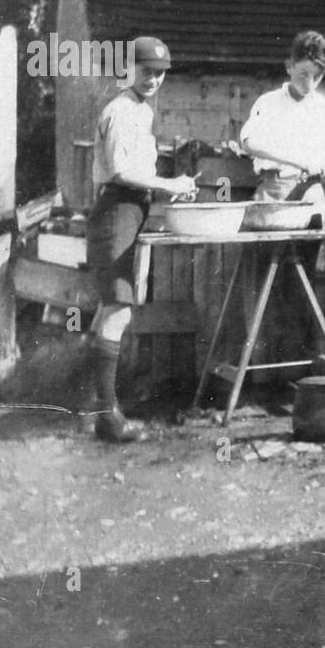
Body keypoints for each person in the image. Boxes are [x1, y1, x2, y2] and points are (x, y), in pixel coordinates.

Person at [80, 36, 197, 443]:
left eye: (160, 73)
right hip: (115, 212)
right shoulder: (119, 110)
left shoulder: (141, 110)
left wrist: (166, 188)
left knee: (109, 311)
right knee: (118, 310)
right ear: (128, 68)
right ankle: (108, 418)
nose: (153, 79)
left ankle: (98, 409)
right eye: (146, 71)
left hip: (131, 212)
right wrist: (170, 184)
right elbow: (118, 171)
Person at [240, 30, 325, 202]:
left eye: (316, 77)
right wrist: (298, 162)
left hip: (310, 189)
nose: (309, 84)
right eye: (304, 74)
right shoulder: (268, 102)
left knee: (317, 213)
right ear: (290, 67)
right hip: (273, 188)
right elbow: (248, 143)